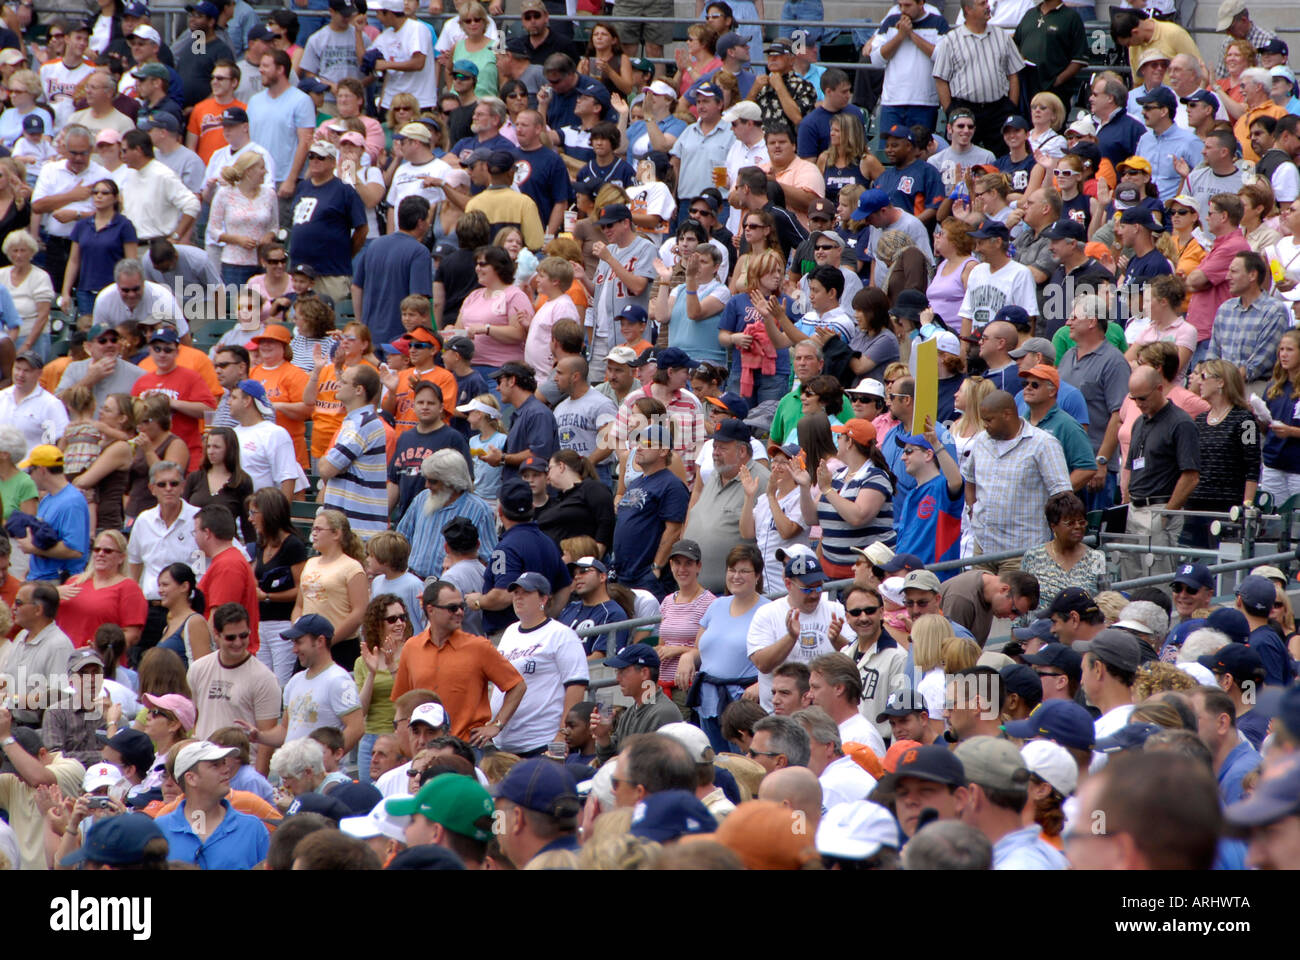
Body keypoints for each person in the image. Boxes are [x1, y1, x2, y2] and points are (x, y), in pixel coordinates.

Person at [960, 390, 1071, 569]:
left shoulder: (1043, 444)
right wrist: (973, 510)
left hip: (1022, 551)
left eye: (989, 420)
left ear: (1007, 414)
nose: (985, 425)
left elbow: (1062, 494)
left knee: (1012, 598)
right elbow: (970, 480)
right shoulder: (981, 441)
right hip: (983, 547)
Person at [745, 548, 852, 711]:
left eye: (818, 588)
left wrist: (837, 640)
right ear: (788, 584)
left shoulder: (835, 609)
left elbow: (856, 661)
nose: (815, 595)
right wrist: (790, 637)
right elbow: (762, 664)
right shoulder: (768, 613)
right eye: (808, 589)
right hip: (780, 717)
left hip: (825, 714)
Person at [154, 740, 269, 869]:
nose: (226, 770)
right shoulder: (158, 829)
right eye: (215, 765)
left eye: (224, 763)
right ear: (191, 778)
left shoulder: (253, 829)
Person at [610, 423, 690, 597]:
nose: (638, 448)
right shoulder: (637, 482)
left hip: (647, 577)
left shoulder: (672, 485)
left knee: (647, 625)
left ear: (663, 451)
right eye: (638, 442)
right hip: (623, 573)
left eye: (646, 443)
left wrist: (656, 568)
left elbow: (674, 530)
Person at [17, 445, 90, 583]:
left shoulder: (72, 502)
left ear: (42, 470)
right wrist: (28, 572)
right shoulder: (48, 499)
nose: (29, 475)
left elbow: (75, 550)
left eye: (30, 470)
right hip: (40, 578)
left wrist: (32, 549)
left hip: (58, 582)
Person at [0, 352, 67, 454]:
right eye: (17, 369)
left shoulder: (50, 404)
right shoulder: (2, 396)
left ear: (39, 373)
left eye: (27, 371)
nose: (20, 374)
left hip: (30, 467)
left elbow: (54, 441)